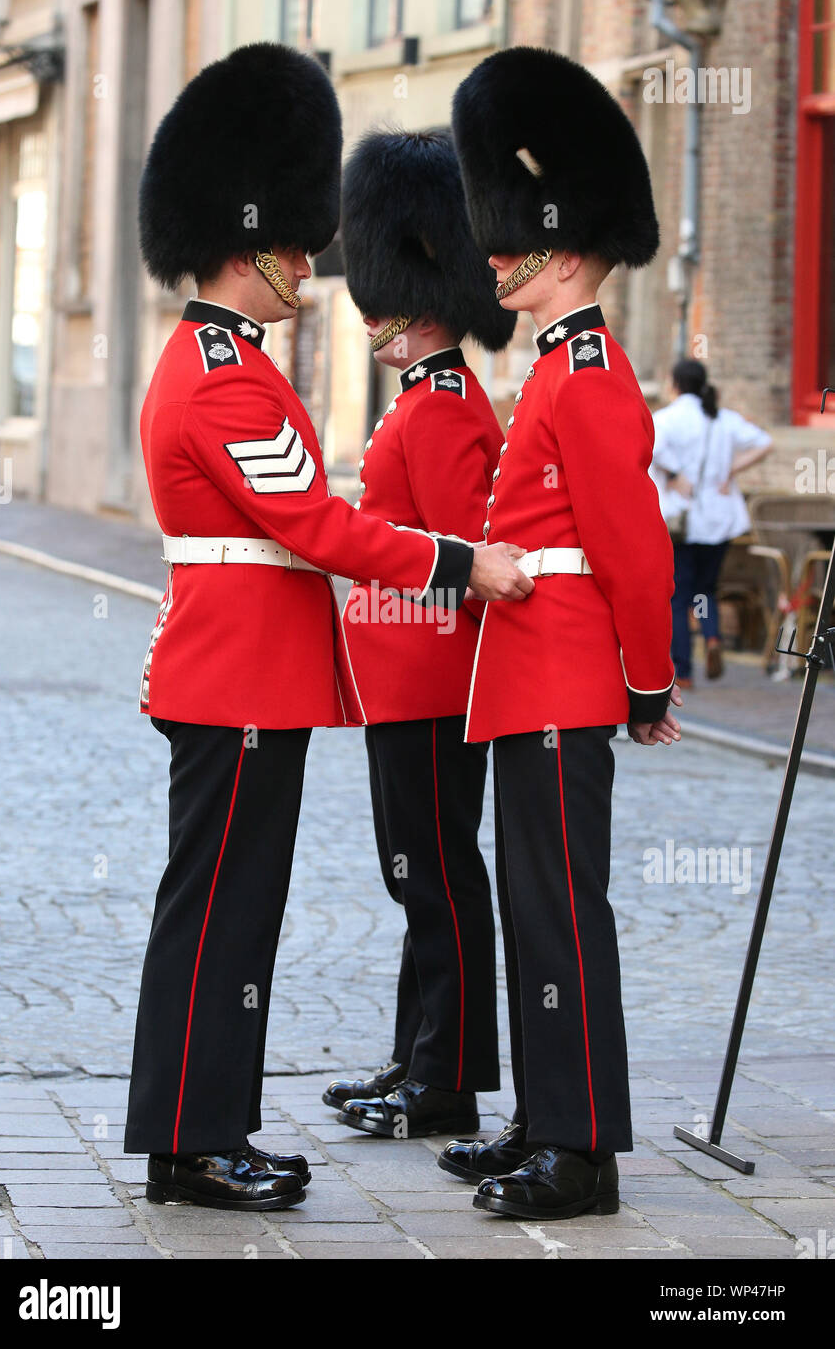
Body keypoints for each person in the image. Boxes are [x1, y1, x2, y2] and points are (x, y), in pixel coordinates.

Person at [122, 42, 532, 1213]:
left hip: (240, 672)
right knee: (222, 915)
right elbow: (318, 527)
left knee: (222, 909)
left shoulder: (219, 362)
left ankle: (201, 1131)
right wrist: (464, 561)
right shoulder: (227, 375)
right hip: (240, 676)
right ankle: (199, 1143)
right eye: (297, 243)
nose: (311, 263)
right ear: (251, 245)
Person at [444, 45, 682, 1220]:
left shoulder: (586, 372)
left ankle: (581, 1148)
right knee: (531, 908)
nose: (494, 256)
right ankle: (542, 1115)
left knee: (558, 912)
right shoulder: (547, 369)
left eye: (514, 237)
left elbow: (631, 550)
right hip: (527, 675)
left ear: (569, 245)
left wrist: (645, 682)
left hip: (566, 678)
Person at [321, 130, 516, 1139]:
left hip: (431, 682)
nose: (370, 319)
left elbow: (459, 561)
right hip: (403, 681)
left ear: (422, 302)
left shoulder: (439, 409)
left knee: (435, 876)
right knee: (417, 875)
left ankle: (443, 1083)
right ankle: (416, 1056)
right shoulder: (423, 401)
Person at [651, 359, 772, 688]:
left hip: (681, 521)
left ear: (675, 383)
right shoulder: (723, 419)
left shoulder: (666, 419)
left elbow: (649, 448)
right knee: (705, 591)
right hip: (719, 519)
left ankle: (685, 670)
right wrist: (731, 470)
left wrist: (674, 474)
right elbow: (764, 442)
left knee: (678, 594)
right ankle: (712, 636)